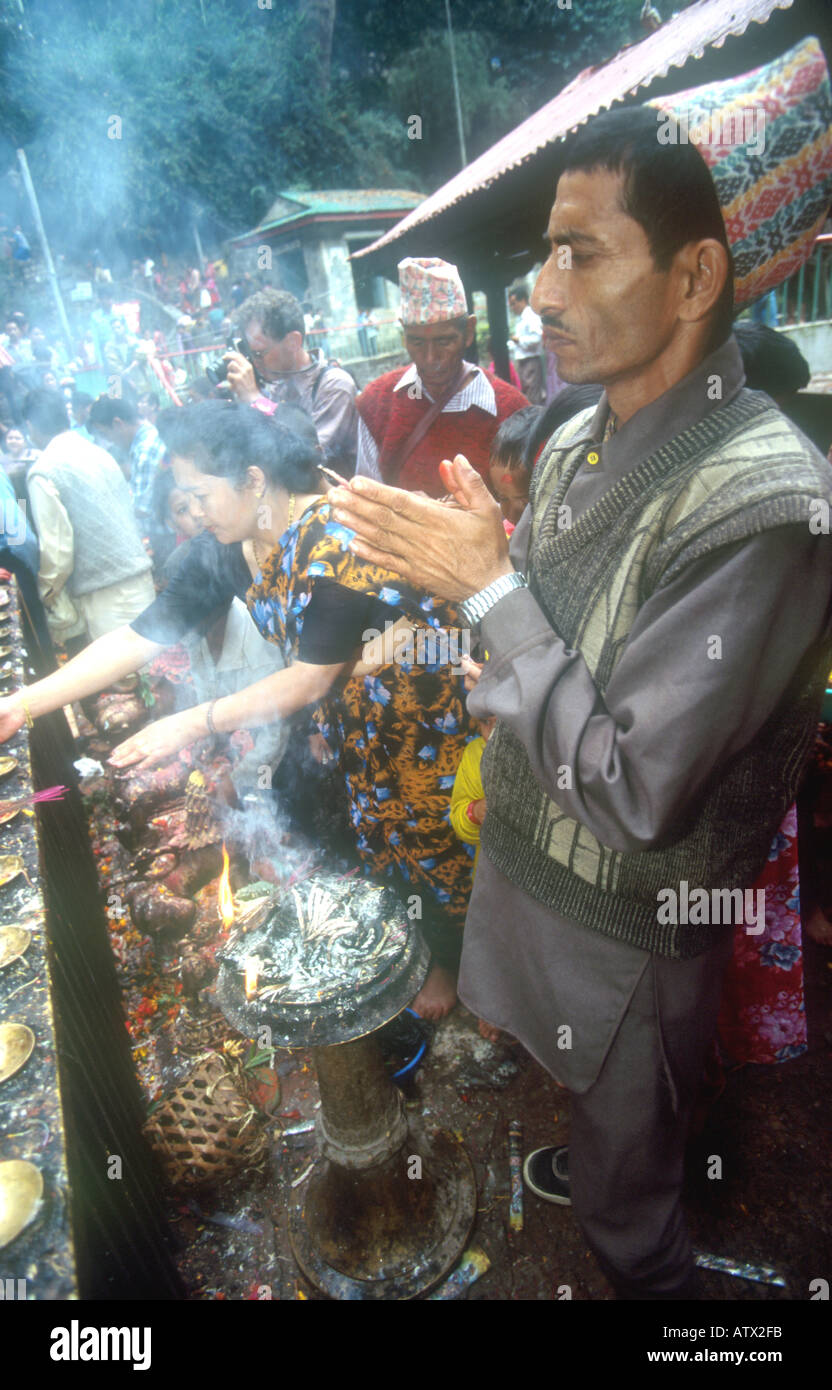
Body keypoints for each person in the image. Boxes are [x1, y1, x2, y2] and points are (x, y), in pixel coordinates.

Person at [325, 106, 832, 1299]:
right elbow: (549, 640)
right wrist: (480, 576)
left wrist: (490, 584)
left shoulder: (762, 507)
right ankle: (620, 1153)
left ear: (696, 273)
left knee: (629, 1220)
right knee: (606, 1105)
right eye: (542, 255)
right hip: (541, 885)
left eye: (581, 252)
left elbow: (640, 789)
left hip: (633, 929)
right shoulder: (572, 446)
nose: (541, 294)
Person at [0, 401, 480, 1019]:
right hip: (356, 716)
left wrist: (189, 722)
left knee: (445, 837)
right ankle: (435, 961)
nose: (192, 512)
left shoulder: (337, 541)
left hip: (422, 708)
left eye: (200, 495)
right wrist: (24, 702)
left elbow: (309, 680)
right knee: (386, 837)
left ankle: (484, 973)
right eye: (184, 496)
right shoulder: (227, 547)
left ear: (254, 480)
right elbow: (139, 635)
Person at [356, 257, 529, 498]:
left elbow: (525, 512)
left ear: (468, 332)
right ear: (404, 335)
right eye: (417, 342)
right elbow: (368, 499)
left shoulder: (510, 409)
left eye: (444, 341)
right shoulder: (375, 403)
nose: (430, 358)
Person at [21, 390, 155, 649]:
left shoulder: (44, 471)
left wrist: (45, 592)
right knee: (154, 671)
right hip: (140, 577)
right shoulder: (98, 451)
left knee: (127, 676)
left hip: (105, 595)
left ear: (30, 426)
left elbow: (57, 549)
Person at [224, 288, 358, 476]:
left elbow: (308, 460)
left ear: (293, 342)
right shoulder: (278, 386)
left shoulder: (334, 386)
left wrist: (255, 398)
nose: (254, 362)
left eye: (259, 354)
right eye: (250, 354)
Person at [87, 394, 166, 536]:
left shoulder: (145, 451)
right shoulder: (147, 438)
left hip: (166, 537)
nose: (109, 441)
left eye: (105, 434)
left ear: (118, 424)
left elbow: (142, 509)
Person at [508, 281, 546, 404]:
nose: (513, 308)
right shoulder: (521, 318)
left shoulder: (531, 316)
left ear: (523, 300)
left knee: (533, 395)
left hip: (531, 361)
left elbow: (537, 338)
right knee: (526, 394)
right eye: (511, 305)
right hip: (523, 361)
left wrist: (519, 340)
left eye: (514, 304)